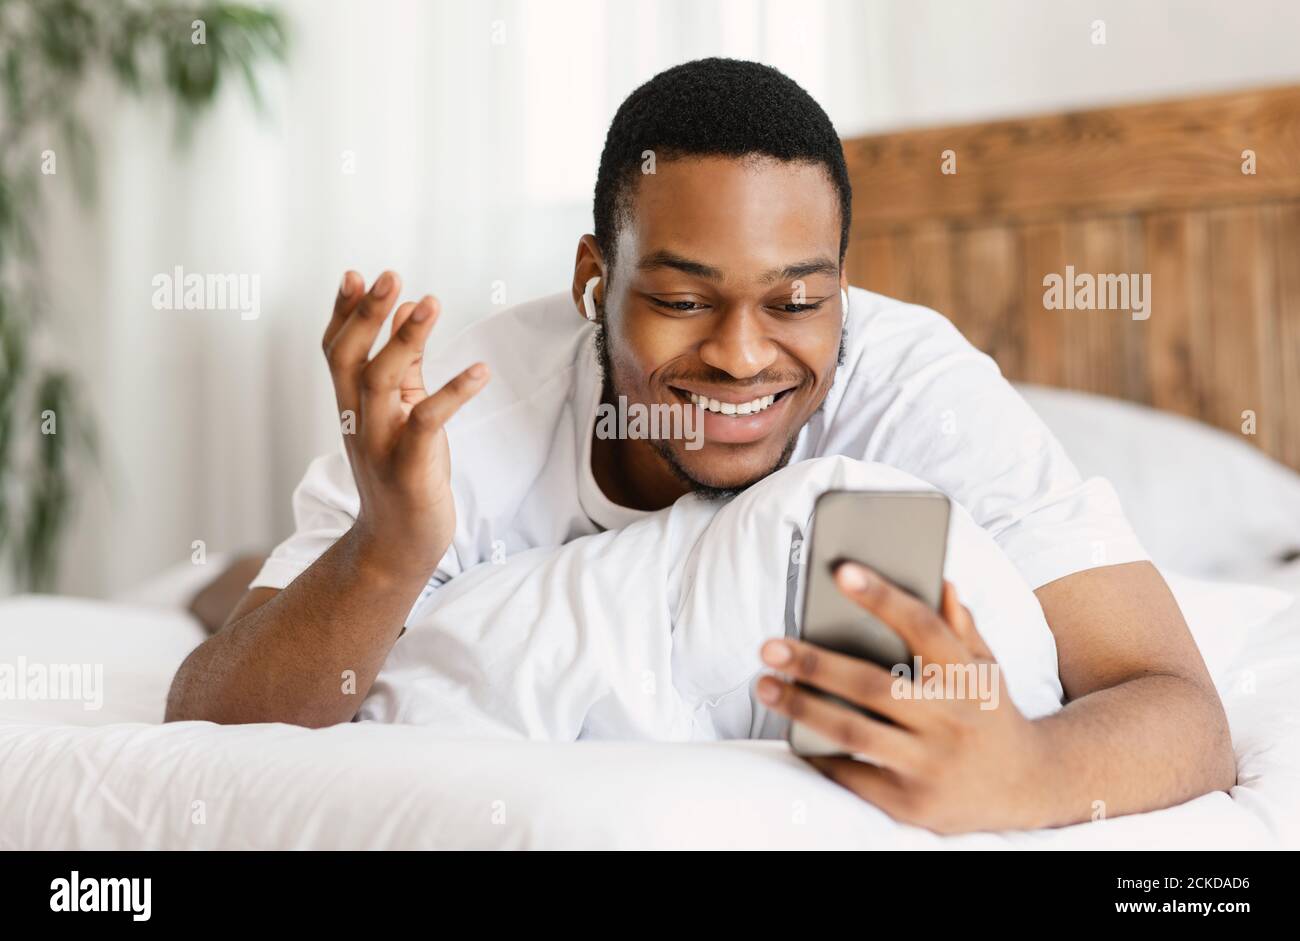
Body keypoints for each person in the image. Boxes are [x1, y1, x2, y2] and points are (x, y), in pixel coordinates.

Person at [166, 58, 1234, 833]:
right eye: (680, 298)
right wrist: (390, 547)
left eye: (797, 300)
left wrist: (1030, 770)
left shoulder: (923, 394)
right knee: (252, 590)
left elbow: (1179, 706)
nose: (739, 354)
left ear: (842, 292)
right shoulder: (474, 410)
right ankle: (228, 573)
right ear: (595, 279)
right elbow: (211, 716)